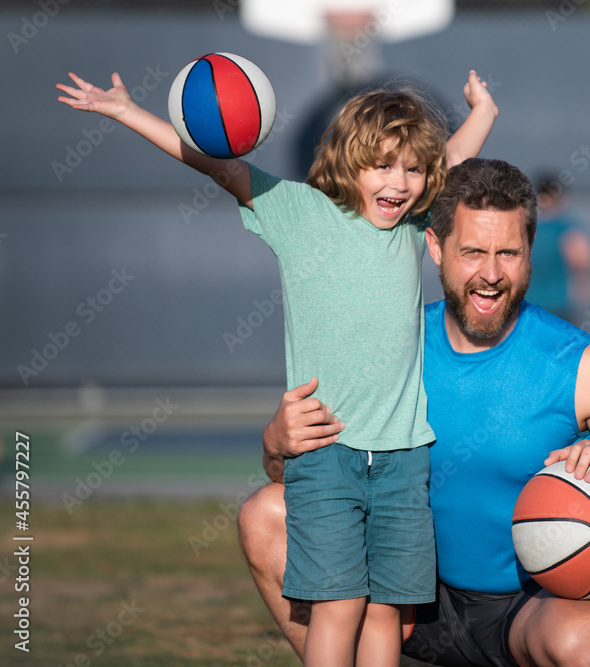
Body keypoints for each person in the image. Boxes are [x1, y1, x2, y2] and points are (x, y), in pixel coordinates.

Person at [56, 69, 497, 667]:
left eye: (413, 170)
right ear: (348, 163)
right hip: (327, 453)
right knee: (338, 602)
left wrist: (483, 110)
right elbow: (221, 167)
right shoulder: (299, 211)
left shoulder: (414, 225)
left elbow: (452, 154)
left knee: (388, 612)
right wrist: (126, 112)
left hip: (402, 456)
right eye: (383, 165)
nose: (400, 181)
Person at [239, 158, 590, 666]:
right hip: (406, 589)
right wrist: (276, 442)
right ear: (435, 247)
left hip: (531, 607)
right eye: (472, 252)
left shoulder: (583, 367)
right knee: (266, 515)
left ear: (529, 255)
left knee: (586, 643)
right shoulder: (393, 345)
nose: (490, 274)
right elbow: (305, 477)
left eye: (509, 253)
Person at [524, 172, 590, 325]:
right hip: (558, 307)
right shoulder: (567, 229)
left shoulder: (525, 229)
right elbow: (582, 263)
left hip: (527, 307)